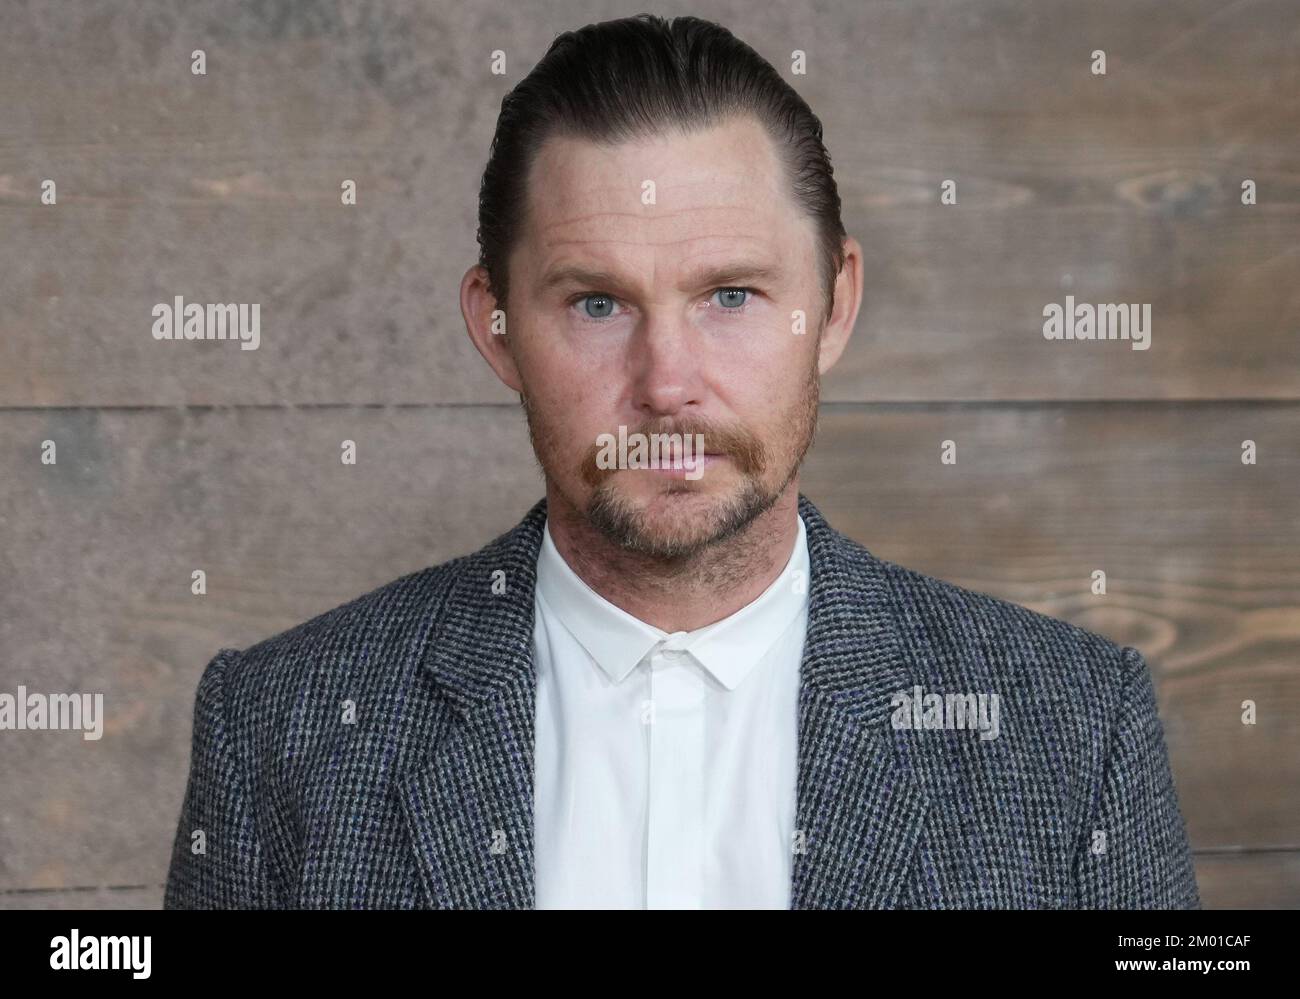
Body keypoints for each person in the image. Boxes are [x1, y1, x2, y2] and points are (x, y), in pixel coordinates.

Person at [164, 13, 1199, 909]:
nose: (667, 383)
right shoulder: (280, 726)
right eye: (596, 303)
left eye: (731, 296)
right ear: (496, 327)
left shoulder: (1072, 726)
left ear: (831, 305)